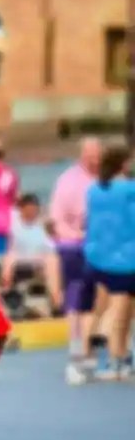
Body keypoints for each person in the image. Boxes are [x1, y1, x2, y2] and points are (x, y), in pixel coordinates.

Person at [49, 136, 103, 383]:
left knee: (92, 301)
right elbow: (56, 218)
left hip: (97, 247)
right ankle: (76, 350)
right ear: (82, 154)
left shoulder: (103, 180)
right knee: (76, 297)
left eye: (97, 154)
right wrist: (76, 234)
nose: (94, 158)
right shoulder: (68, 181)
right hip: (73, 247)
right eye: (90, 153)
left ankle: (89, 349)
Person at [82, 143, 135, 381]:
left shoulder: (94, 190)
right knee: (121, 309)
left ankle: (93, 357)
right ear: (123, 163)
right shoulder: (129, 190)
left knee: (101, 308)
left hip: (97, 257)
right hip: (125, 259)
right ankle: (116, 358)